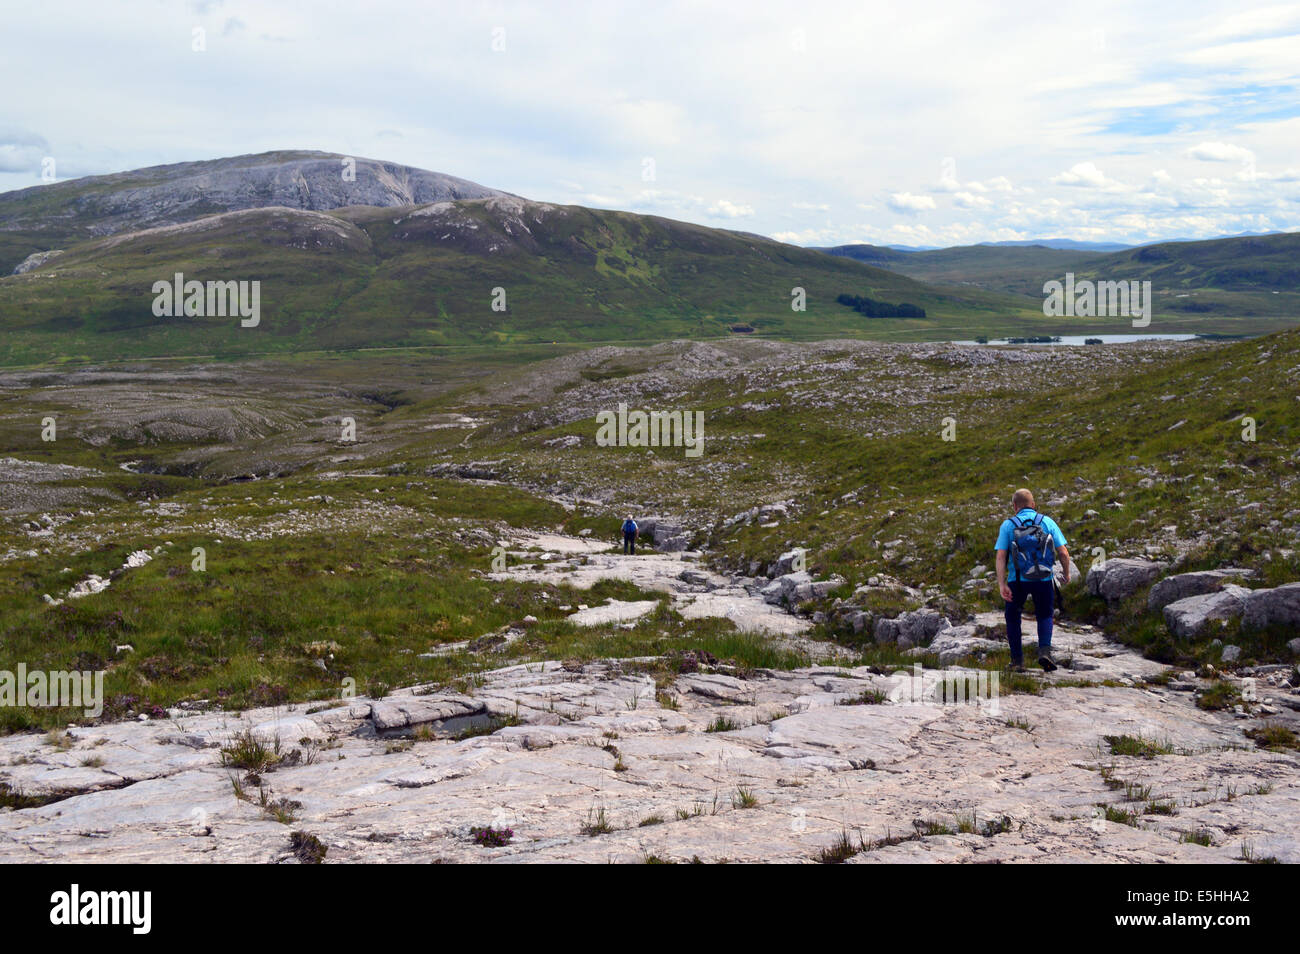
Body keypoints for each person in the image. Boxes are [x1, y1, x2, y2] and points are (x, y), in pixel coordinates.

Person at [994, 488, 1071, 672]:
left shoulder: (1008, 525)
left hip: (1017, 580)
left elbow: (1001, 556)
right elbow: (1063, 553)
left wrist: (1001, 584)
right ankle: (1045, 652)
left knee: (1013, 618)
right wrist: (1066, 574)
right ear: (1033, 505)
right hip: (1044, 579)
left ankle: (1017, 661)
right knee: (1044, 615)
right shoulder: (1047, 521)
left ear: (1014, 506)